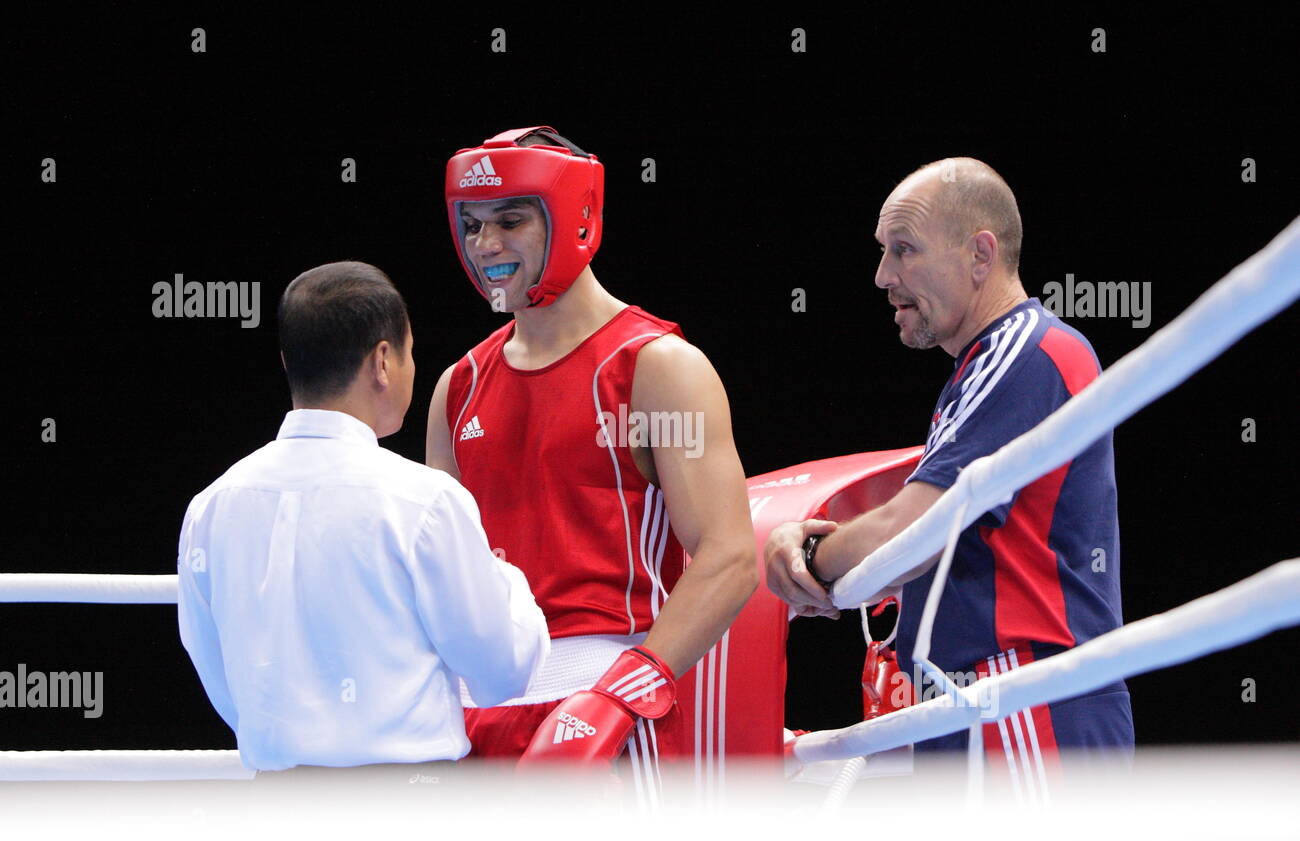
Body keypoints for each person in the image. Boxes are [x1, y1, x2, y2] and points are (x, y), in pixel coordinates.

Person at [764, 159, 1134, 785]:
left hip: (1024, 699)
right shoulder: (985, 367)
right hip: (977, 702)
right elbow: (949, 543)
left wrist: (805, 557)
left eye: (904, 251)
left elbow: (916, 526)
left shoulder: (1027, 352)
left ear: (980, 255)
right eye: (884, 252)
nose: (884, 276)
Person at [428, 127, 757, 773]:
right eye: (471, 224)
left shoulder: (655, 369)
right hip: (467, 719)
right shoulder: (458, 387)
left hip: (605, 702)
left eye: (511, 220)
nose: (486, 244)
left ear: (574, 215)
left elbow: (729, 556)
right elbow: (442, 572)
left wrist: (624, 693)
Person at [177, 261, 549, 773]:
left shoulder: (211, 507)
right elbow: (501, 672)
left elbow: (222, 681)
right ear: (382, 360)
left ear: (289, 363)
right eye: (410, 353)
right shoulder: (423, 500)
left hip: (276, 804)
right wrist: (509, 580)